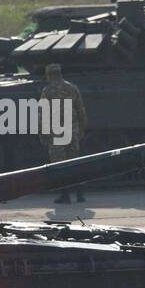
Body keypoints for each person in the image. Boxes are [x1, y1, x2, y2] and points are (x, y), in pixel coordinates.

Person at [41, 63, 89, 204]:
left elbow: (43, 113)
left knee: (59, 165)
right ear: (60, 73)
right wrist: (82, 129)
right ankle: (80, 195)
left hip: (57, 133)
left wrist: (43, 133)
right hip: (72, 131)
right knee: (74, 163)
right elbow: (81, 109)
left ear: (49, 75)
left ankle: (65, 195)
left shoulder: (48, 90)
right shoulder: (72, 88)